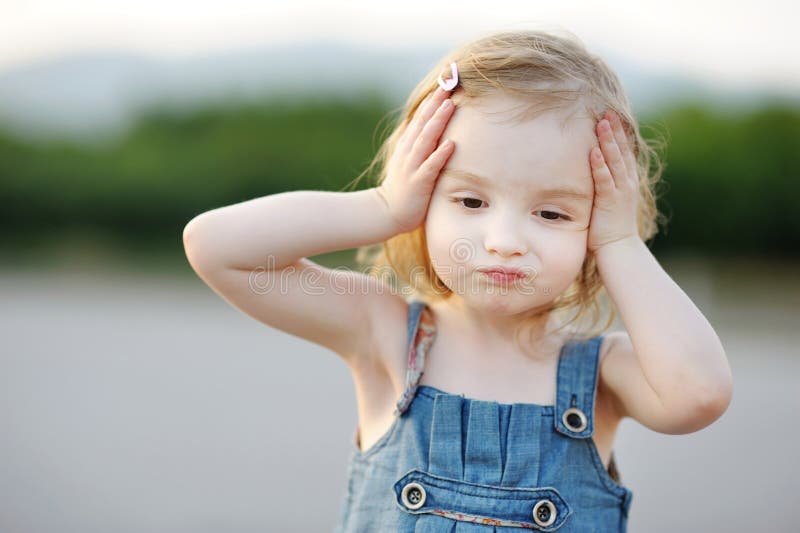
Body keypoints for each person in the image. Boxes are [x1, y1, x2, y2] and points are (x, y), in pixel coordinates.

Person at [182, 27, 733, 532]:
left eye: (552, 213)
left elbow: (700, 393)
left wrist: (620, 243)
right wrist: (383, 207)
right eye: (470, 201)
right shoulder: (383, 333)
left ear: (595, 224)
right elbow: (216, 248)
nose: (504, 240)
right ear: (423, 197)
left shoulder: (602, 375)